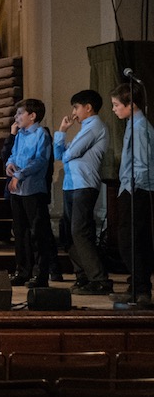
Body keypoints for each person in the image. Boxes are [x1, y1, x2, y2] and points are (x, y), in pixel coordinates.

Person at [55, 89, 111, 295]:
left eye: (76, 107)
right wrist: (62, 131)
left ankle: (99, 279)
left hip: (84, 185)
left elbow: (71, 153)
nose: (74, 112)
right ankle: (83, 275)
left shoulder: (94, 126)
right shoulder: (83, 129)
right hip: (72, 185)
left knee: (80, 232)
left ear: (88, 107)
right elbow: (59, 154)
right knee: (68, 233)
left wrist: (66, 148)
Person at [5, 98, 55, 287]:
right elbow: (13, 154)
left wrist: (20, 174)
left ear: (32, 116)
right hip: (17, 191)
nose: (16, 117)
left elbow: (40, 160)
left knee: (37, 233)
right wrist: (10, 165)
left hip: (33, 190)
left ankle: (40, 273)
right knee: (20, 232)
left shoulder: (41, 134)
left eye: (20, 114)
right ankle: (22, 270)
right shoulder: (20, 134)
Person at [112, 83, 153, 307]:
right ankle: (136, 286)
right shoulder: (132, 124)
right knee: (130, 240)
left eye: (117, 105)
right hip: (131, 187)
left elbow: (142, 164)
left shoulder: (140, 128)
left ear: (132, 104)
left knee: (133, 241)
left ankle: (142, 289)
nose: (114, 109)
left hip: (137, 189)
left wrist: (131, 188)